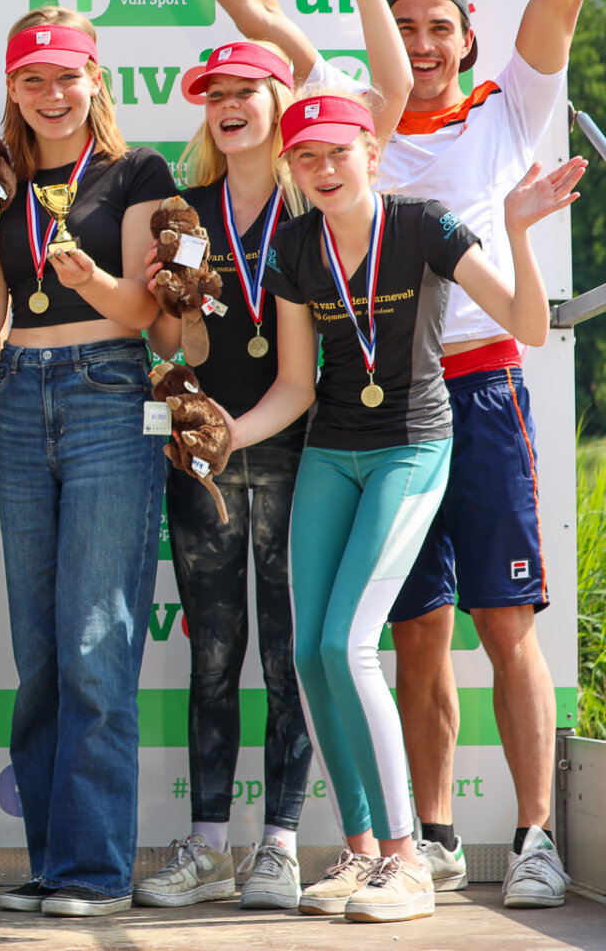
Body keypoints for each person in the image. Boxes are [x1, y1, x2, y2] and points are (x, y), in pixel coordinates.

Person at [132, 0, 419, 908]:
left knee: (294, 658)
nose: (236, 105)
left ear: (282, 104)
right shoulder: (179, 208)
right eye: (218, 93)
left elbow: (369, 90)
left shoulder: (314, 186)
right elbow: (165, 336)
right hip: (205, 452)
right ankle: (207, 838)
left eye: (253, 90)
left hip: (306, 445)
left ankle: (281, 841)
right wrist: (169, 319)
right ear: (205, 108)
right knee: (213, 652)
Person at [228, 92, 581, 923]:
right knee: (311, 650)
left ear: (371, 153)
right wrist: (226, 436)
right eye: (305, 156)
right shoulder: (294, 246)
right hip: (329, 453)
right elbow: (293, 388)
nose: (321, 169)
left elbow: (528, 323)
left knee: (351, 644)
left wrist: (521, 233)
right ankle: (360, 855)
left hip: (414, 446)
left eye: (336, 152)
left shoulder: (425, 223)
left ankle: (407, 859)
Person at [373, 0, 606, 906]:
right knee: (418, 635)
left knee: (506, 623)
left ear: (466, 35)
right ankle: (432, 833)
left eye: (437, 24)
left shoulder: (510, 103)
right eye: (403, 24)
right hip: (387, 401)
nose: (420, 40)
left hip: (484, 387)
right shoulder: (355, 124)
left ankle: (531, 836)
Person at [0, 7, 177, 918]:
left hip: (111, 391)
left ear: (96, 79)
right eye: (32, 80)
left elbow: (144, 315)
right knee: (39, 651)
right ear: (11, 86)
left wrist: (88, 281)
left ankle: (94, 871)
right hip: (17, 391)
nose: (51, 95)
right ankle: (53, 863)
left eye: (66, 77)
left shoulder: (138, 172)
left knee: (96, 641)